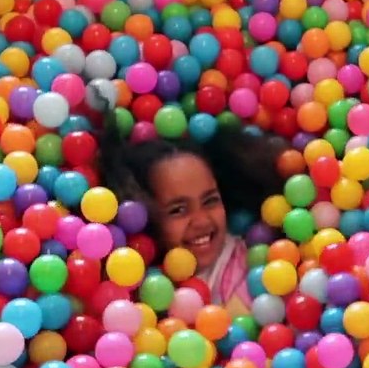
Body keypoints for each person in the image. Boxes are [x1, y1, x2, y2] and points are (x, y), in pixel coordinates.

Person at [98, 121, 284, 316]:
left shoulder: (254, 268)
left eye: (210, 201)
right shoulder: (135, 288)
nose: (202, 221)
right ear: (146, 218)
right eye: (178, 210)